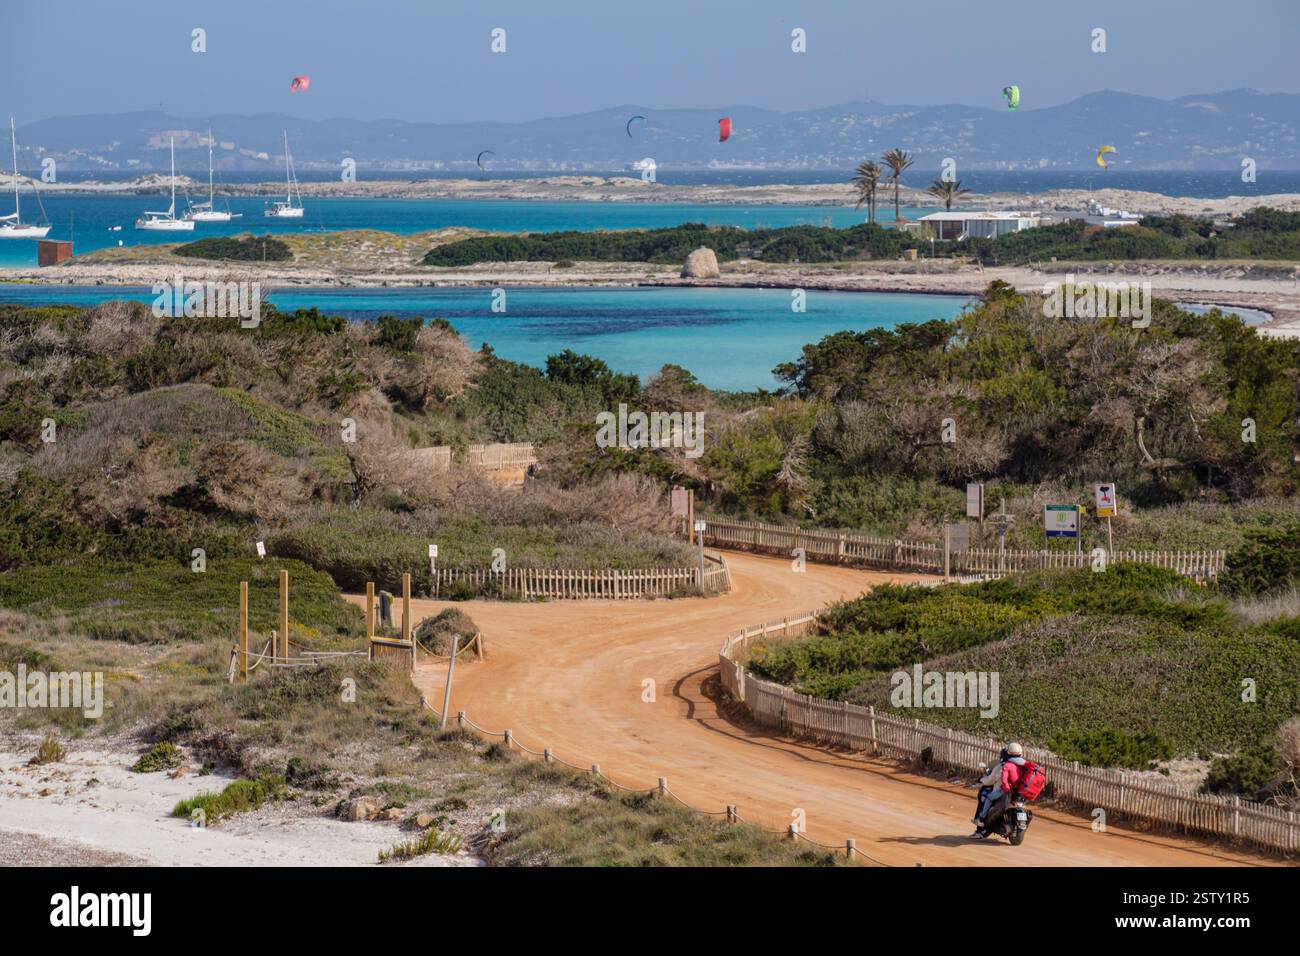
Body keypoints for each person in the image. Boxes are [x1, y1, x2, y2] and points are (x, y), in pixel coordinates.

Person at [972, 742, 1026, 837]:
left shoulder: (1002, 766)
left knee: (986, 796)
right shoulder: (1023, 766)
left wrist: (981, 780)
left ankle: (981, 820)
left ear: (1007, 754)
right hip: (1019, 794)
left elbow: (990, 780)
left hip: (1003, 791)